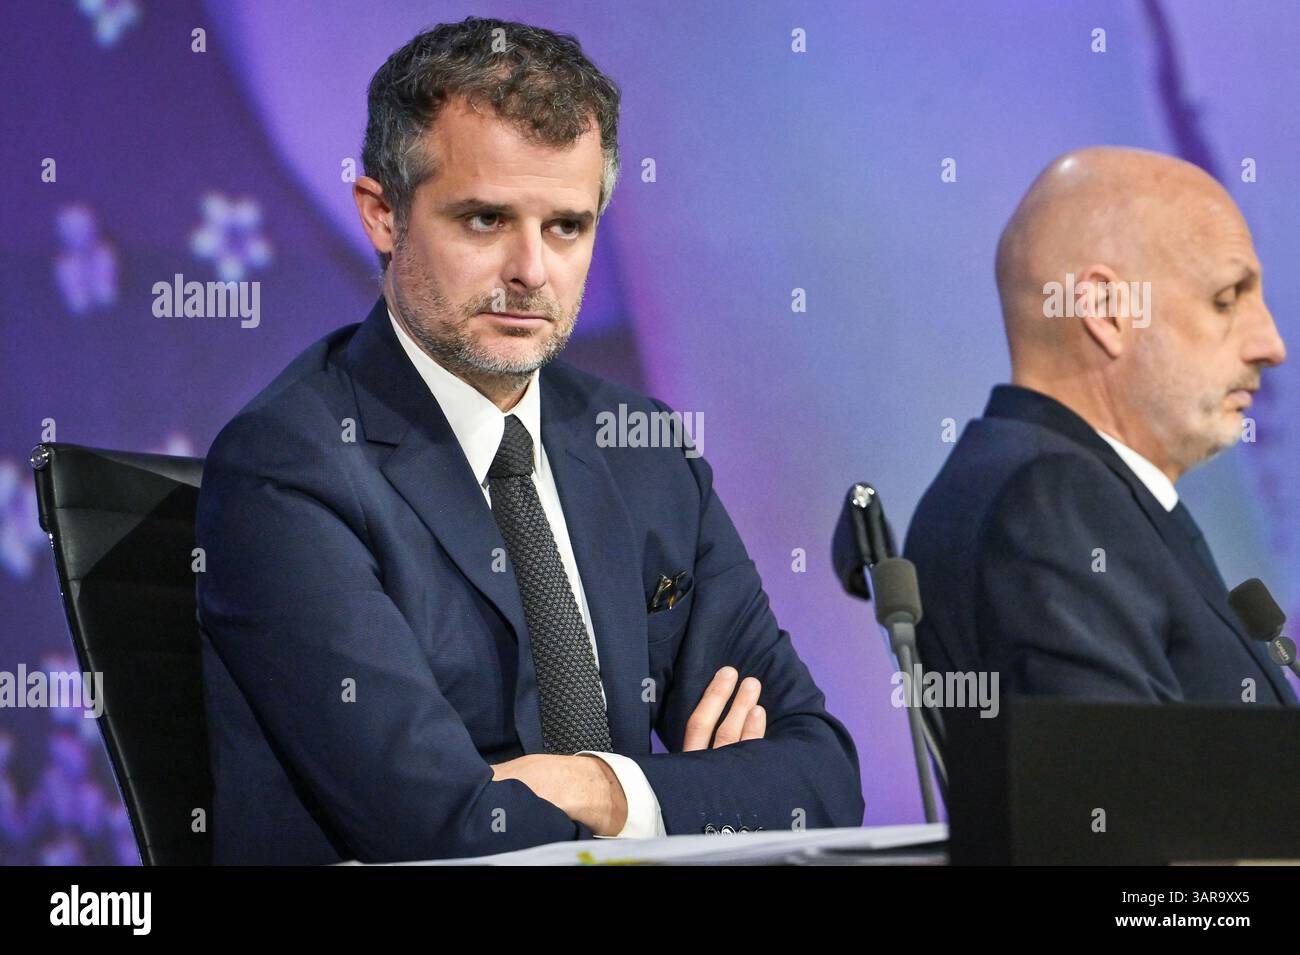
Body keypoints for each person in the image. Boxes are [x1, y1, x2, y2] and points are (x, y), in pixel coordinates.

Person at [195, 17, 863, 865]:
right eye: (484, 220)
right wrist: (696, 796)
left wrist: (612, 788)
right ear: (383, 216)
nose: (531, 271)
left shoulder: (643, 450)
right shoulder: (288, 469)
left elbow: (823, 778)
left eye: (567, 227)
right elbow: (443, 830)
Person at [905, 146, 1296, 706]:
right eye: (1226, 298)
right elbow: (1124, 786)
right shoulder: (1051, 501)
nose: (1271, 345)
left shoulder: (1069, 489)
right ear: (1109, 310)